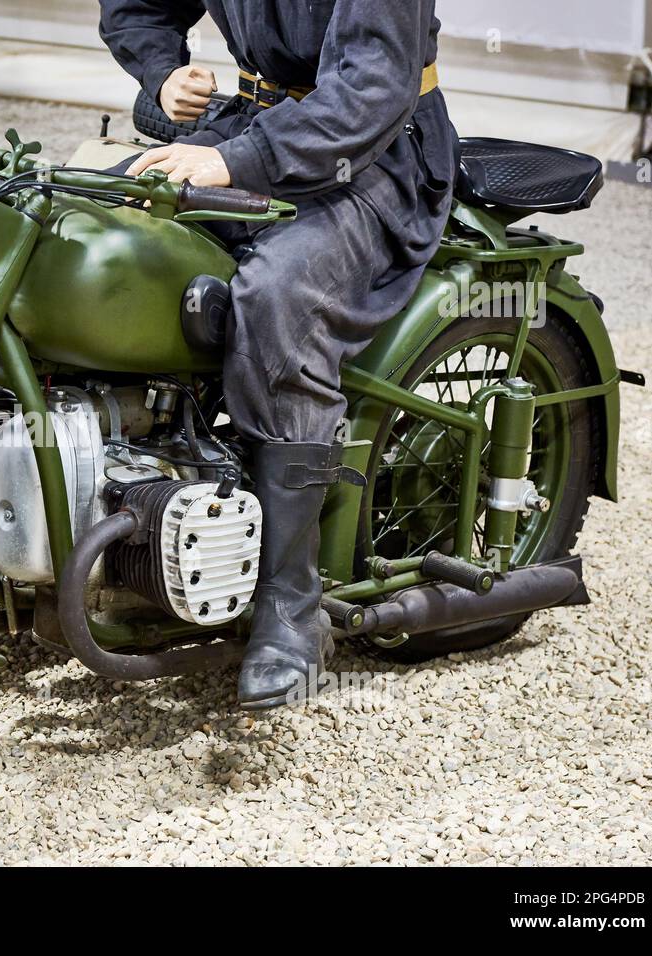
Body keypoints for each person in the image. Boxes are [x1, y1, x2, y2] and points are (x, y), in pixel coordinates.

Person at [99, 1, 459, 709]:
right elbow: (136, 5)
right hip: (254, 126)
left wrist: (232, 161)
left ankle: (292, 603)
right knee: (94, 230)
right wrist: (162, 72)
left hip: (372, 150)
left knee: (277, 295)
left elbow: (373, 89)